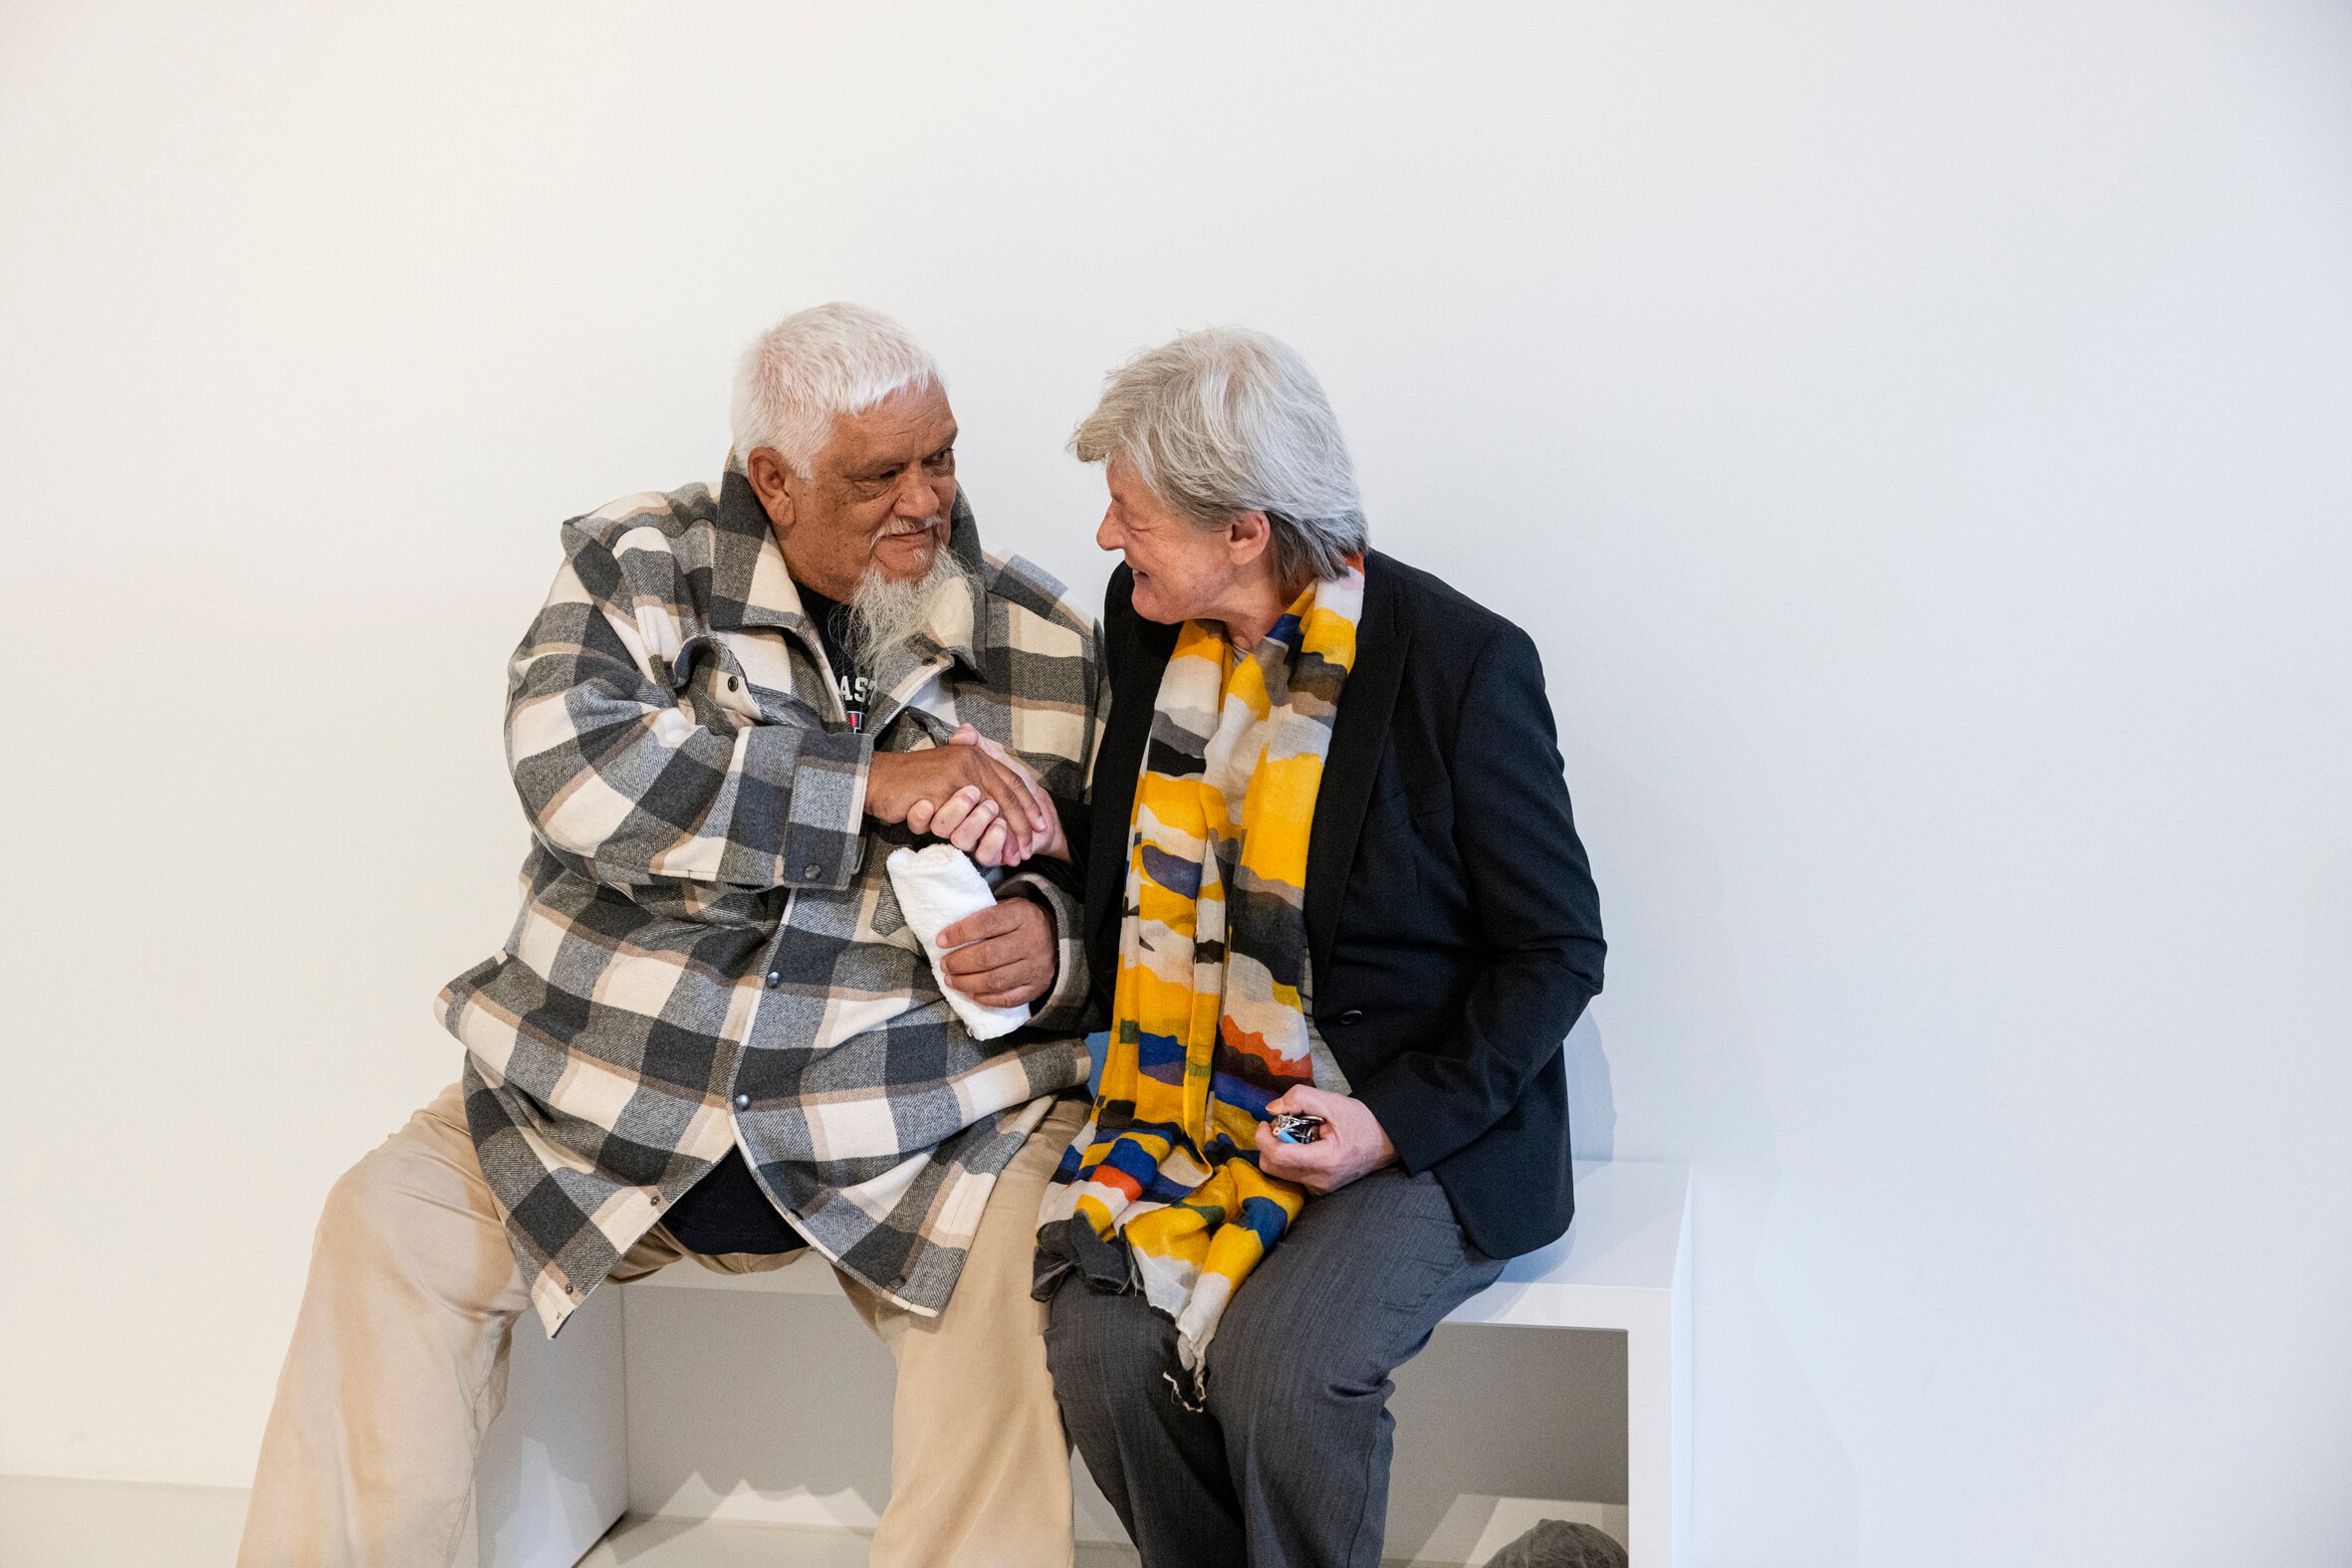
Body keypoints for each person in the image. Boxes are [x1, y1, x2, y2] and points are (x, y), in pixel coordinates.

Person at [239, 304, 1105, 1568]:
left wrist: (1046, 938)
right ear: (775, 479)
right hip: (594, 1099)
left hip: (912, 1125)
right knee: (381, 1225)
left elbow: (1124, 885)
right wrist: (862, 783)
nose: (928, 500)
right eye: (880, 475)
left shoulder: (1042, 638)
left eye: (943, 457)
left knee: (1021, 1286)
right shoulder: (634, 567)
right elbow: (573, 773)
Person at [1032, 328, 1606, 1568]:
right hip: (1184, 1101)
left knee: (1283, 1372)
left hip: (1409, 1122)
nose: (1103, 537)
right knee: (1100, 1344)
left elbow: (1554, 949)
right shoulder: (1148, 638)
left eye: (1129, 513)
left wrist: (1386, 1123)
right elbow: (1111, 870)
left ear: (1243, 529)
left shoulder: (1460, 664)